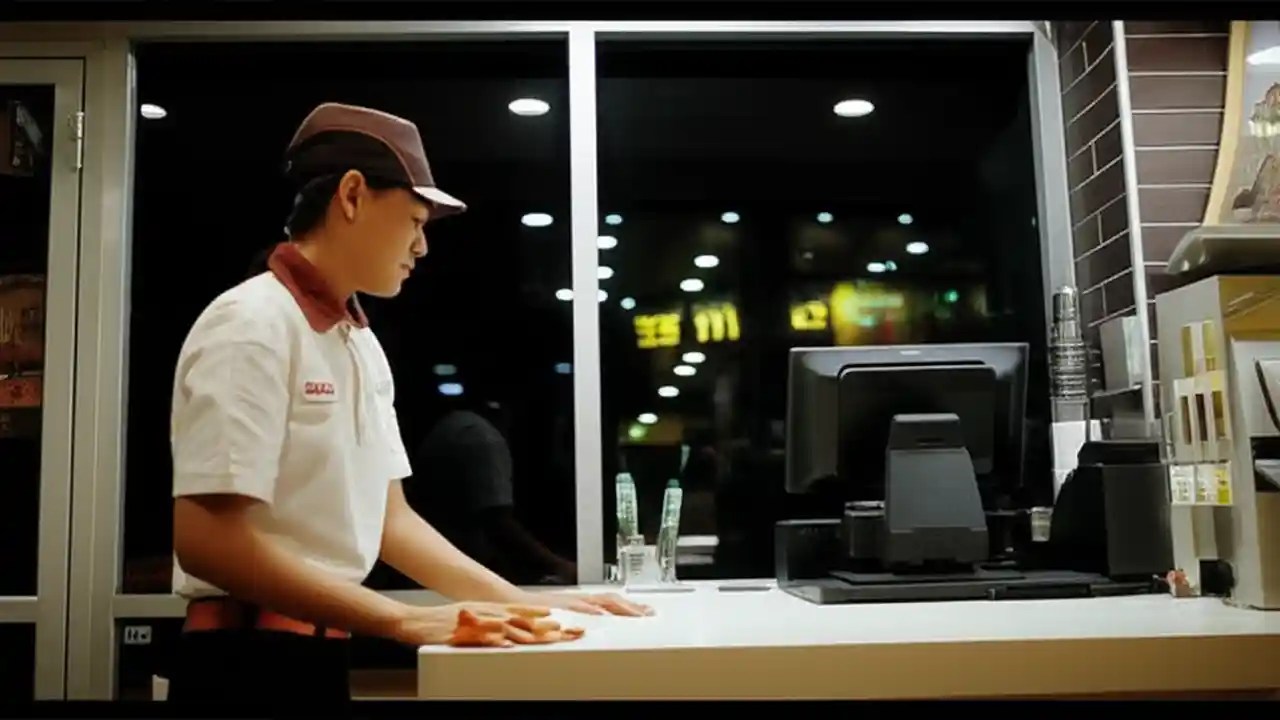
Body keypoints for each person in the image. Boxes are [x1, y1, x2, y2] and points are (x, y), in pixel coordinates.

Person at [166, 102, 650, 705]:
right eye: (415, 220)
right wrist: (406, 620)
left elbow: (390, 521)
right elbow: (208, 539)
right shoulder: (250, 322)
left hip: (319, 653)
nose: (422, 247)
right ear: (351, 195)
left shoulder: (359, 341)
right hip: (240, 660)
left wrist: (521, 600)